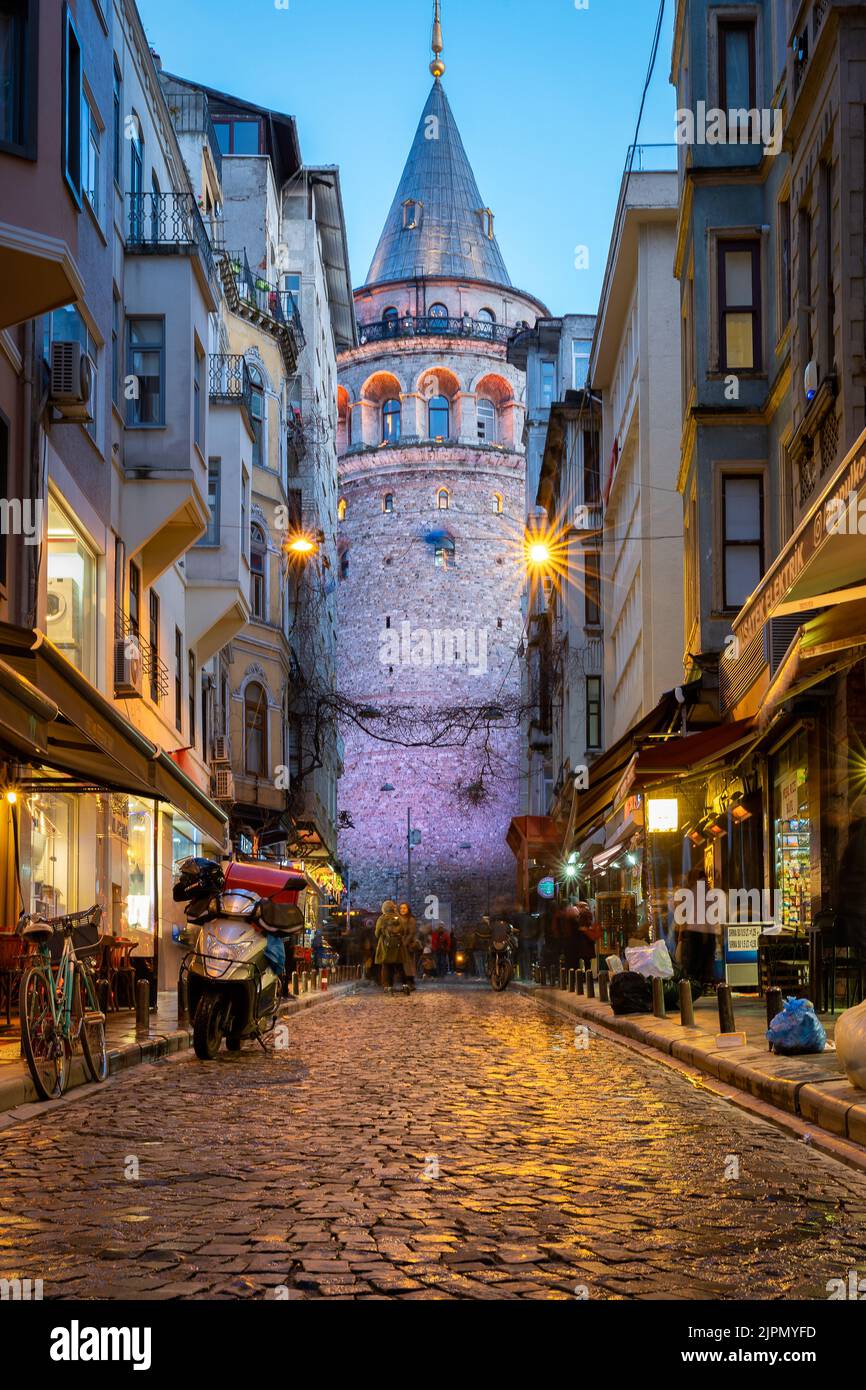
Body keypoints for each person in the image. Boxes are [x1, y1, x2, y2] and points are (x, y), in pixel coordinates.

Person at [375, 900, 404, 992]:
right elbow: (403, 930)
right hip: (397, 946)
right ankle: (404, 984)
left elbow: (377, 933)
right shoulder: (398, 917)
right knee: (399, 966)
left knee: (386, 966)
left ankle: (387, 985)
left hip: (385, 945)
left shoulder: (382, 918)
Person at [398, 902, 419, 994]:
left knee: (408, 965)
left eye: (404, 908)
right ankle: (404, 984)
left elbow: (412, 933)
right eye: (401, 908)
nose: (402, 910)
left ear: (408, 909)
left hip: (408, 944)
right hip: (399, 944)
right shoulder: (398, 919)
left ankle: (411, 983)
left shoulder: (411, 919)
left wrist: (405, 943)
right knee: (402, 965)